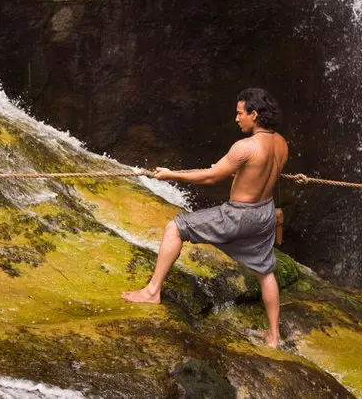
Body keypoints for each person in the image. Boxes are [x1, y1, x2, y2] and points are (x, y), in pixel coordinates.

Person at [122, 88, 289, 349]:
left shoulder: (244, 147)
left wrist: (171, 174)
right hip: (264, 214)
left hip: (239, 215)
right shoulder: (280, 143)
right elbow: (265, 172)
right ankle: (273, 337)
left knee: (175, 227)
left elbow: (212, 176)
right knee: (265, 271)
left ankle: (152, 291)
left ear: (254, 115)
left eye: (239, 113)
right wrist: (245, 175)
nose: (236, 118)